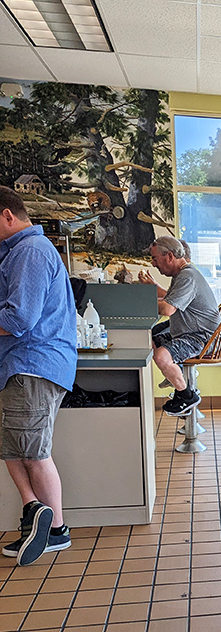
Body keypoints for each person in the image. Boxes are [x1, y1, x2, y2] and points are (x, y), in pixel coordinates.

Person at [0, 186, 76, 565]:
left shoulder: (29, 252)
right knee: (15, 446)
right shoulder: (19, 252)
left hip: (33, 362)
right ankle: (35, 514)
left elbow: (18, 319)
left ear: (7, 216)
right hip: (24, 364)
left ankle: (55, 529)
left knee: (33, 450)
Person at [138, 237, 221, 416]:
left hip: (201, 338)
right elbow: (172, 298)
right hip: (189, 331)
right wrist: (153, 291)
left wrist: (141, 301)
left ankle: (185, 395)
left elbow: (167, 308)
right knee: (149, 338)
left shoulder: (187, 276)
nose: (153, 264)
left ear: (169, 256)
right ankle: (176, 372)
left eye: (154, 258)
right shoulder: (183, 274)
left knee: (161, 357)